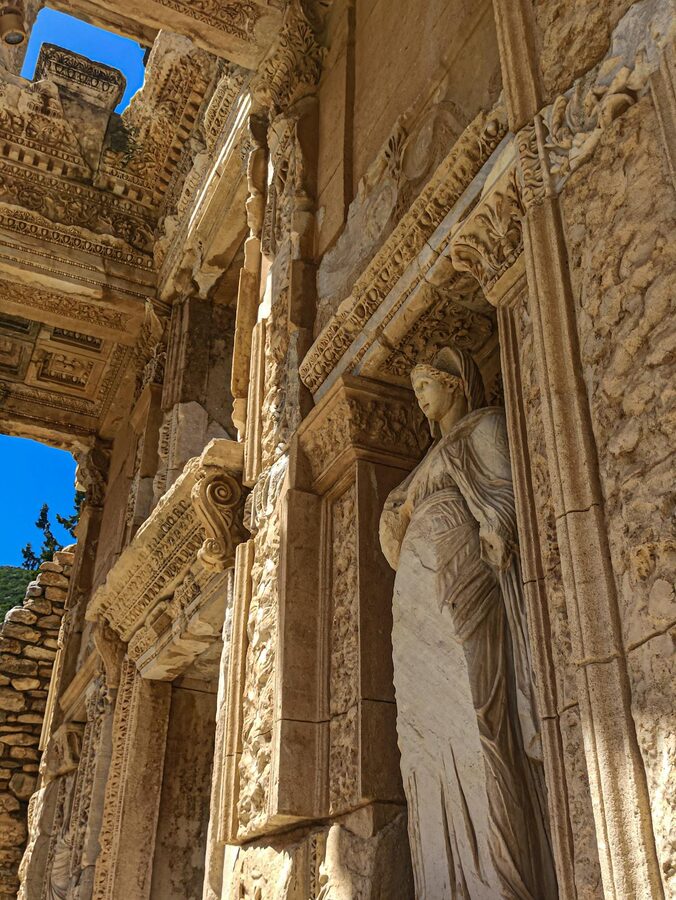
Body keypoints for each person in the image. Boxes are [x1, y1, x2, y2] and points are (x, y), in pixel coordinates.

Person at [379, 346, 556, 899]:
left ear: (454, 385)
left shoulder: (483, 427)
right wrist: (399, 510)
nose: (419, 397)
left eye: (426, 385)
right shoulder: (422, 465)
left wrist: (497, 526)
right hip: (417, 605)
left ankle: (500, 879)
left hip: (464, 585)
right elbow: (391, 538)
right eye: (414, 389)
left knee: (479, 719)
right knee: (424, 739)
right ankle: (445, 879)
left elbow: (505, 495)